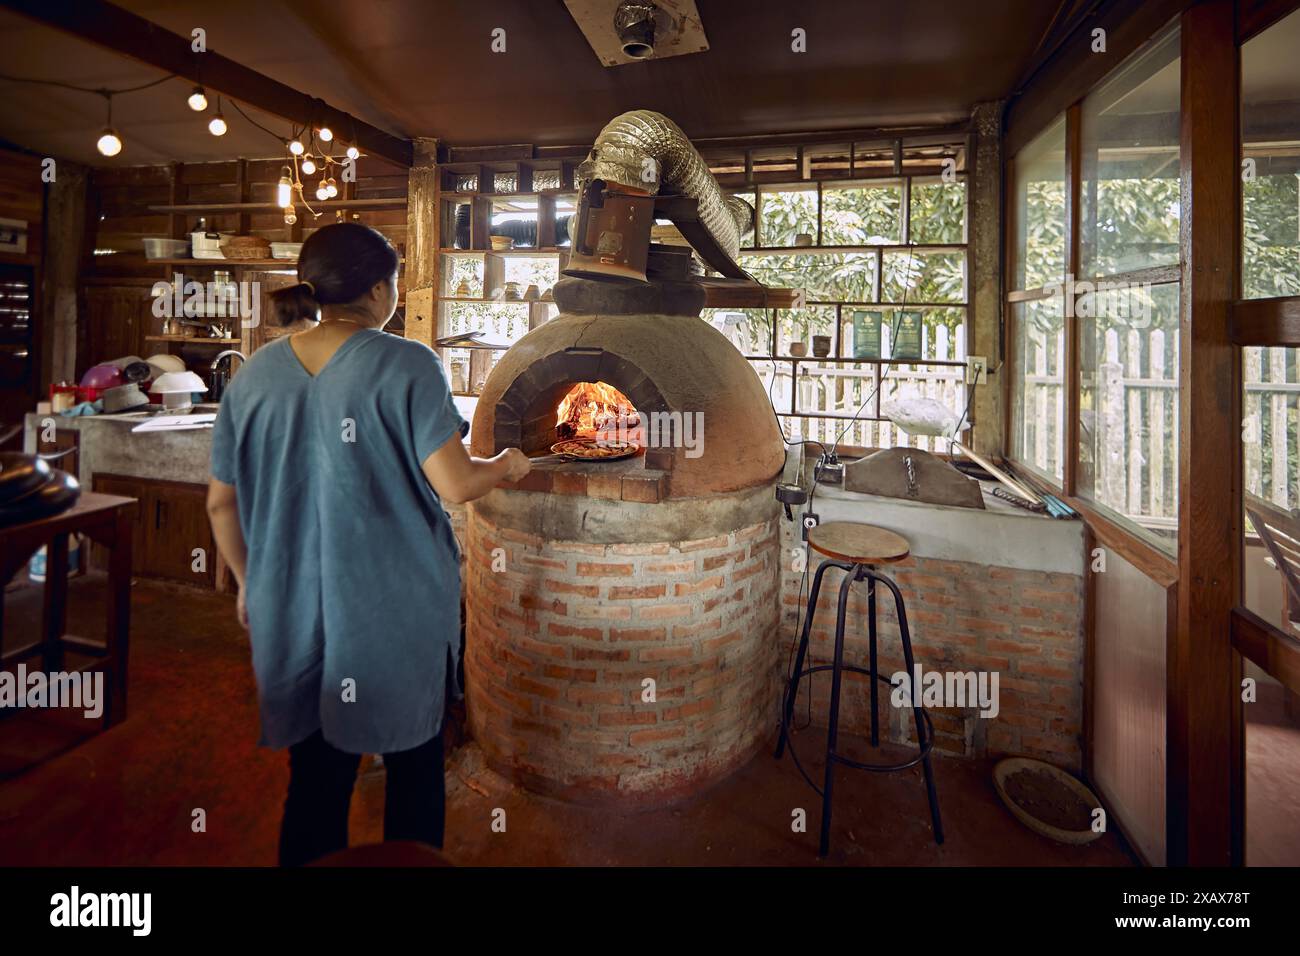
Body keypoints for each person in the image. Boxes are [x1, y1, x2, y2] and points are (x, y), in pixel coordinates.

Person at [206, 222, 529, 866]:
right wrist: (509, 464)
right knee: (413, 769)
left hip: (293, 612)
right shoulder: (408, 363)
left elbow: (221, 501)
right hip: (393, 611)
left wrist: (248, 582)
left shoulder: (254, 375)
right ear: (381, 289)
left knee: (316, 785)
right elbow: (458, 484)